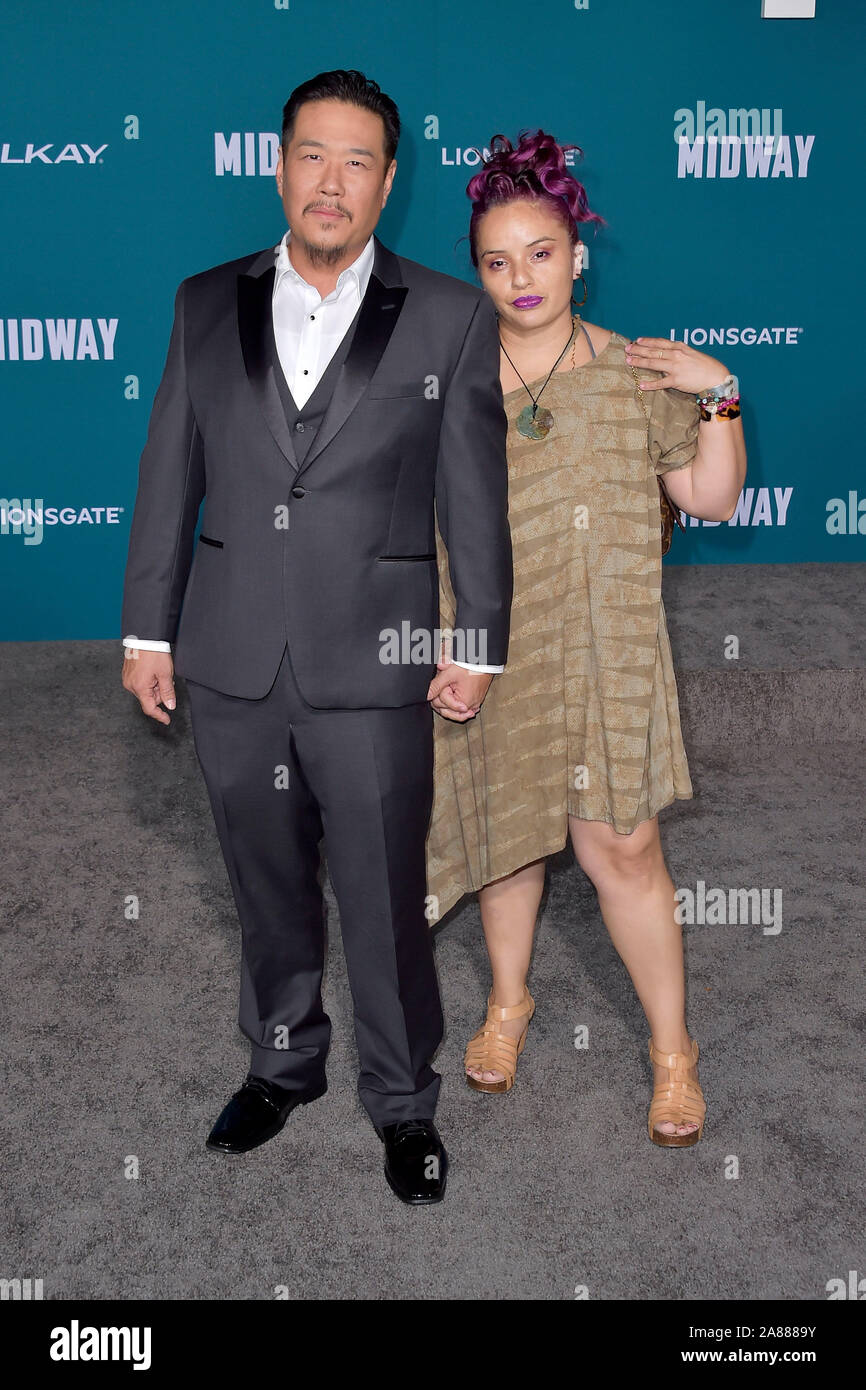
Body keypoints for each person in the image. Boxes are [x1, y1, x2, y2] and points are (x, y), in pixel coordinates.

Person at [120, 70, 513, 1203]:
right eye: (310, 155)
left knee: (388, 893)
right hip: (232, 649)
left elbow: (470, 493)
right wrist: (149, 628)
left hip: (378, 658)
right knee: (262, 876)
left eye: (355, 161)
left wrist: (474, 641)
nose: (329, 181)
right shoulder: (204, 301)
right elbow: (166, 477)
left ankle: (400, 1100)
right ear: (277, 165)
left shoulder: (447, 313)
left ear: (388, 181)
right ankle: (283, 1059)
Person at [426, 130, 746, 1146]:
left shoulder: (634, 373)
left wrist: (718, 390)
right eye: (494, 259)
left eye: (538, 252)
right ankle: (508, 1005)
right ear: (476, 270)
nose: (519, 278)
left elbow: (709, 495)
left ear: (577, 256)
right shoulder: (451, 382)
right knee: (504, 836)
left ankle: (670, 1053)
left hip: (609, 651)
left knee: (624, 844)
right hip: (496, 645)